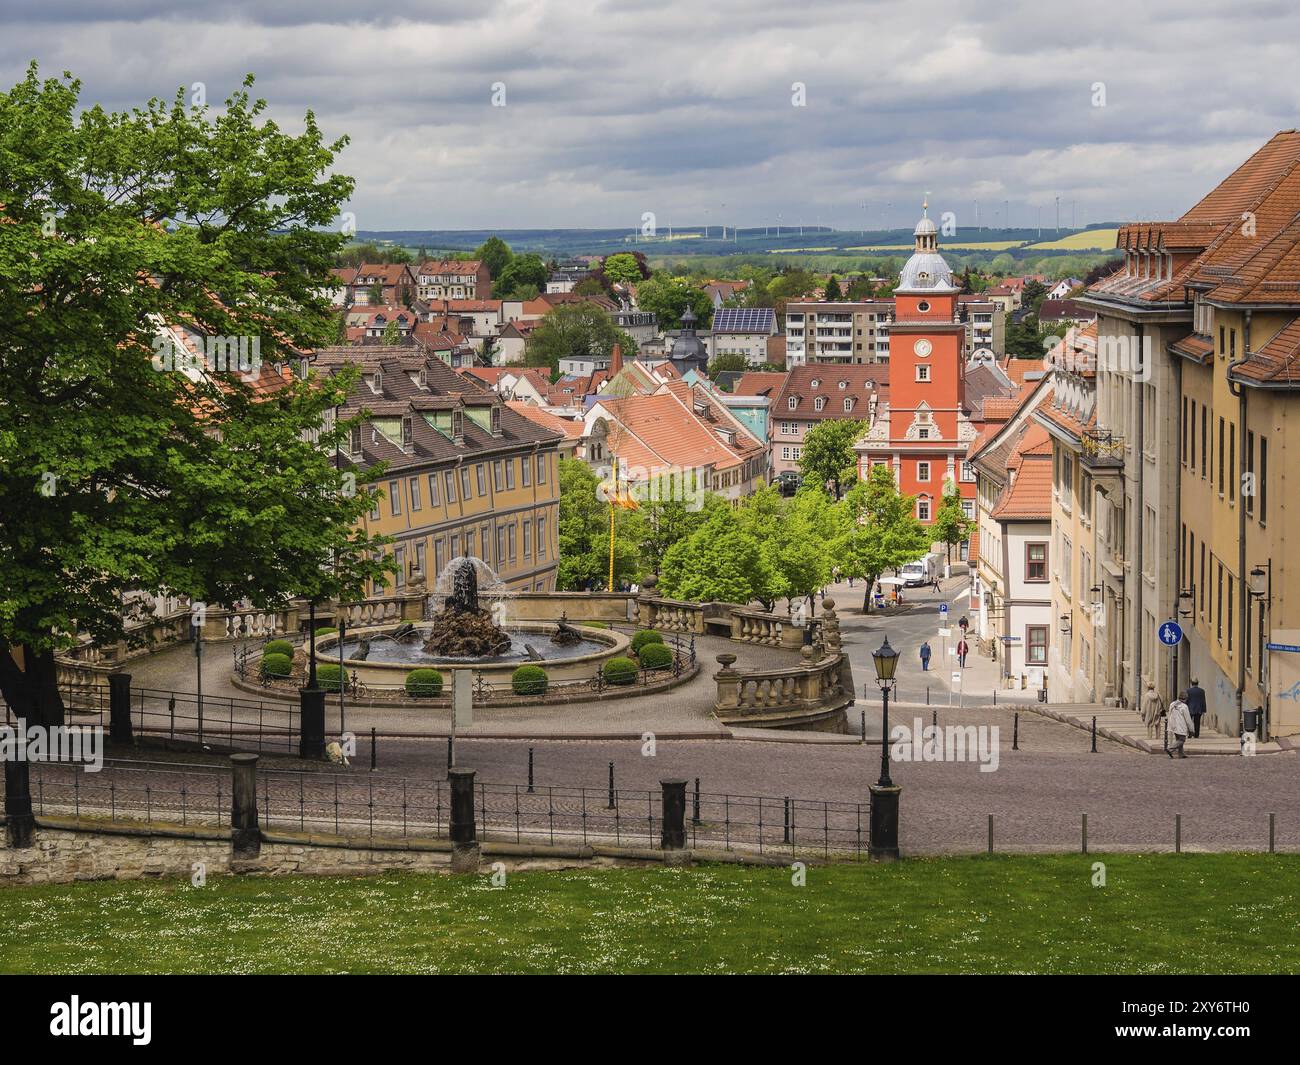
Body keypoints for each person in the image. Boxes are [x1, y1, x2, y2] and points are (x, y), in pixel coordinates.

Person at [1166, 691, 1194, 759]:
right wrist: (1191, 729)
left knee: (1178, 739)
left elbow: (1169, 714)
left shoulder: (1172, 704)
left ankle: (1181, 754)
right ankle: (1170, 749)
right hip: (1181, 725)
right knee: (1181, 740)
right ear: (1185, 698)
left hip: (1173, 725)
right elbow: (1188, 719)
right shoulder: (1184, 707)